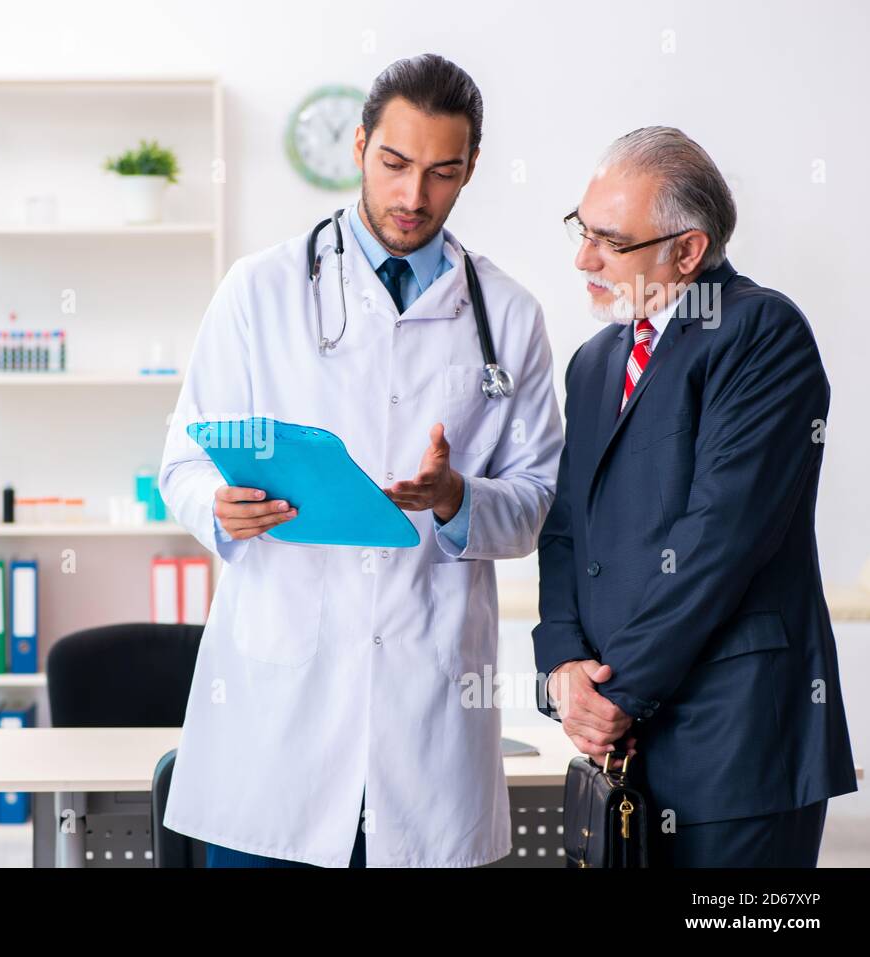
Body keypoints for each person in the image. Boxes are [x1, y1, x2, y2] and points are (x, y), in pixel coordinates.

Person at [157, 54, 563, 867]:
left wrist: (456, 498)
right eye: (396, 164)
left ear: (472, 168)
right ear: (359, 146)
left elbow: (536, 500)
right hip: (277, 725)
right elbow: (182, 460)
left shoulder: (509, 316)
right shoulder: (259, 290)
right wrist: (216, 506)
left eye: (443, 172)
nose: (414, 196)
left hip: (429, 719)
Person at [534, 126, 858, 867]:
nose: (583, 259)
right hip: (622, 753)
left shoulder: (759, 331)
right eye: (581, 232)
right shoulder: (592, 363)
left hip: (736, 745)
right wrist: (562, 668)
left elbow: (720, 538)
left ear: (686, 251)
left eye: (609, 242)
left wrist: (619, 696)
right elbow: (565, 532)